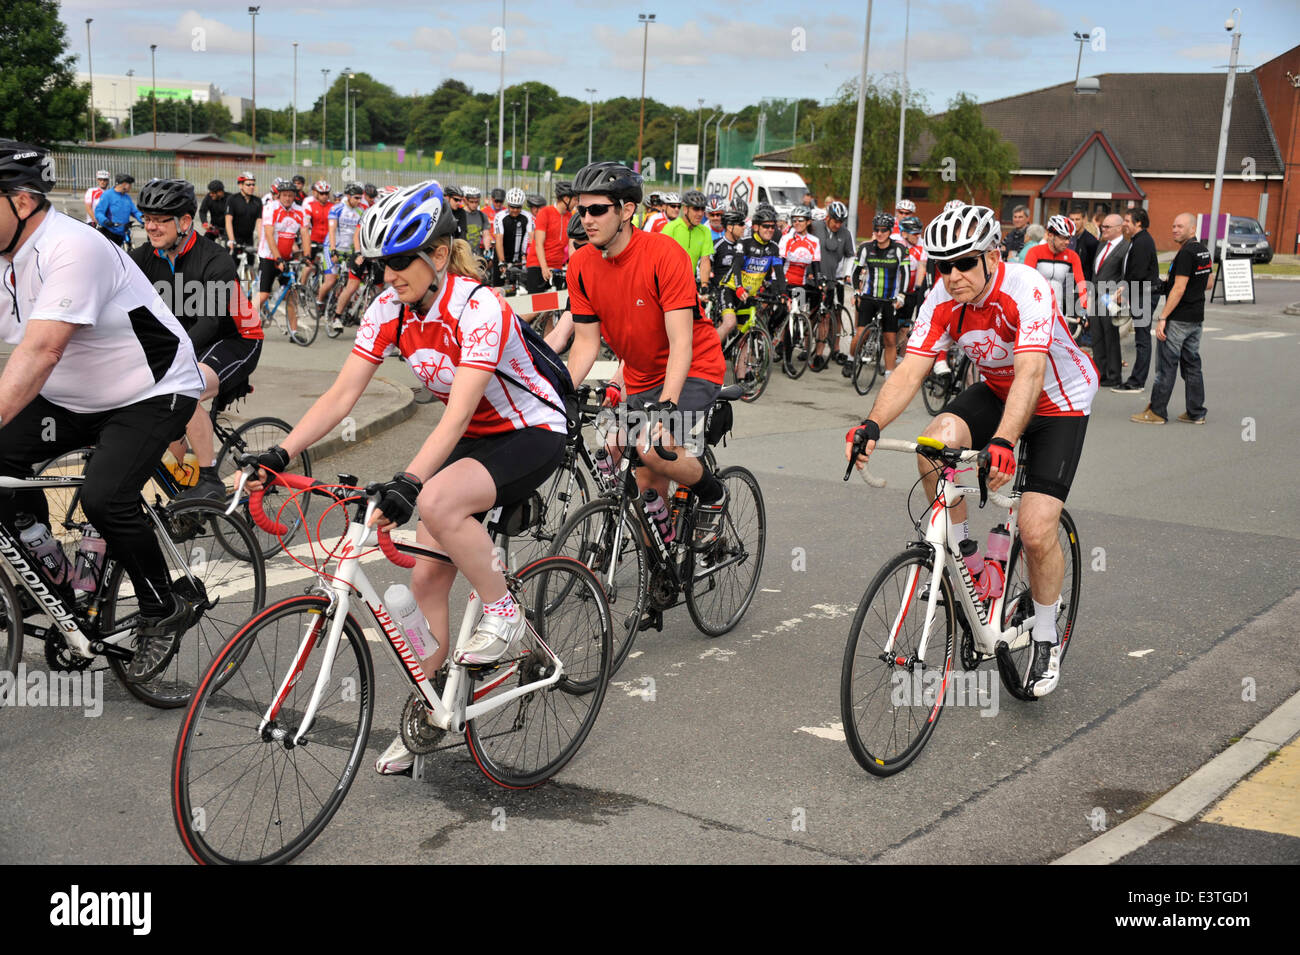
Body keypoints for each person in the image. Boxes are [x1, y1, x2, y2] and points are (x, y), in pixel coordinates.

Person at [249, 181, 567, 776]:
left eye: (398, 262)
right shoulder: (388, 310)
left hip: (531, 429)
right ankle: (432, 713)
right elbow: (344, 393)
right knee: (424, 583)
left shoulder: (478, 307)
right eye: (378, 265)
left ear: (439, 255)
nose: (387, 275)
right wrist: (281, 453)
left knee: (440, 503)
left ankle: (504, 612)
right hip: (474, 433)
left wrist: (409, 481)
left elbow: (456, 413)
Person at [846, 204, 1097, 698]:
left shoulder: (1026, 288)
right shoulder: (942, 297)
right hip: (1002, 392)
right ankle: (966, 558)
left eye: (964, 262)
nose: (953, 275)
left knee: (1036, 527)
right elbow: (911, 370)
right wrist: (872, 423)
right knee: (934, 441)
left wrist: (1003, 441)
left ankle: (1045, 633)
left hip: (1058, 401)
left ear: (991, 255)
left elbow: (1031, 372)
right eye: (943, 265)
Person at [0, 141, 204, 680]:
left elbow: (41, 350)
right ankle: (49, 573)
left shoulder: (71, 247)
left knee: (104, 494)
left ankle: (165, 602)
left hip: (151, 389)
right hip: (72, 396)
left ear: (20, 202)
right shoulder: (6, 258)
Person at [565, 161, 731, 545]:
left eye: (597, 210)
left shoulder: (663, 254)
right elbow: (586, 344)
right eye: (581, 210)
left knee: (654, 449)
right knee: (640, 481)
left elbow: (681, 342)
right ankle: (659, 563)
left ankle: (713, 494)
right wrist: (559, 393)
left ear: (626, 211)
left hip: (693, 368)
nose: (587, 219)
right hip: (640, 375)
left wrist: (669, 404)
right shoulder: (580, 264)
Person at [130, 179, 263, 501]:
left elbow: (210, 321)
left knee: (183, 384)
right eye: (147, 219)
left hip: (235, 339)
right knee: (152, 401)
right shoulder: (142, 258)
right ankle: (186, 486)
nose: (151, 226)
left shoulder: (215, 259)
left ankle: (209, 479)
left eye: (160, 220)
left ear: (185, 222)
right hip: (188, 340)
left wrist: (170, 361)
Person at [1131, 213, 1211, 425]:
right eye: (1173, 226)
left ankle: (1157, 412)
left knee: (1166, 366)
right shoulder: (1203, 251)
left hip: (1179, 318)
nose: (1175, 229)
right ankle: (1196, 412)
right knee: (1192, 365)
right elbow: (1208, 283)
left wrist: (1163, 317)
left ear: (1192, 229)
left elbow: (1179, 288)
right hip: (1196, 318)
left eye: (1180, 226)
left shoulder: (1186, 254)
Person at [720, 202, 788, 367]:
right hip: (731, 288)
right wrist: (739, 287)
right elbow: (736, 268)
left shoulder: (773, 248)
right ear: (756, 227)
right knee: (729, 324)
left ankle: (741, 379)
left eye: (773, 227)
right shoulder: (745, 243)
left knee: (746, 337)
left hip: (749, 295)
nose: (770, 229)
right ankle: (705, 352)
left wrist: (784, 294)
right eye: (766, 226)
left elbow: (779, 273)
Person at [846, 213, 909, 378]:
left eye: (883, 230)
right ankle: (851, 358)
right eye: (876, 230)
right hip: (868, 297)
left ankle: (889, 376)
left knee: (890, 340)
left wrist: (901, 296)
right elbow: (855, 272)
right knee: (861, 334)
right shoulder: (866, 248)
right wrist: (856, 291)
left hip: (889, 300)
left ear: (889, 231)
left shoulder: (899, 249)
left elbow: (906, 273)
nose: (879, 233)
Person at [253, 179, 312, 342]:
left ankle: (294, 332)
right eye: (284, 195)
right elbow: (270, 236)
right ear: (278, 195)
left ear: (295, 196)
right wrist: (277, 258)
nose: (287, 198)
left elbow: (305, 233)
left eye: (291, 195)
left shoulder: (300, 211)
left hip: (287, 258)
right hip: (269, 256)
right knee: (264, 294)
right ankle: (244, 325)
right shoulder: (271, 208)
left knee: (292, 295)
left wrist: (307, 255)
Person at [1113, 207, 1161, 395]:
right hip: (1140, 294)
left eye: (1127, 220)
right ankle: (1136, 379)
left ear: (1138, 222)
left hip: (1144, 295)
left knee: (1142, 339)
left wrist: (1123, 292)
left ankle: (1137, 381)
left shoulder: (1142, 242)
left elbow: (1138, 273)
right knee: (1141, 338)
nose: (1124, 223)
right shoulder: (1137, 240)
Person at [1023, 215, 1088, 333]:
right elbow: (1026, 282)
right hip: (1036, 307)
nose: (1067, 242)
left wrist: (1083, 311)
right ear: (1050, 235)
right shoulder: (1035, 252)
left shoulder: (1072, 256)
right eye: (1063, 238)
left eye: (1069, 238)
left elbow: (1081, 284)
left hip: (1059, 309)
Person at [810, 199, 855, 366]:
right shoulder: (815, 227)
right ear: (828, 217)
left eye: (841, 222)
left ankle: (822, 354)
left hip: (832, 280)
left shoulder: (845, 233)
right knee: (811, 315)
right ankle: (804, 346)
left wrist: (846, 274)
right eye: (835, 221)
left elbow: (850, 255)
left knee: (827, 316)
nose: (838, 225)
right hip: (812, 278)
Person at [778, 206, 824, 368]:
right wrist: (779, 285)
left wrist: (820, 283)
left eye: (800, 220)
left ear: (808, 222)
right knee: (779, 315)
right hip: (784, 281)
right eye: (794, 220)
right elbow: (781, 262)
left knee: (795, 322)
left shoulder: (814, 241)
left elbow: (816, 266)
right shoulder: (787, 238)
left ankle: (787, 360)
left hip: (800, 284)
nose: (796, 223)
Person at [1090, 213, 1129, 387]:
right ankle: (1100, 373)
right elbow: (1096, 272)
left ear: (1119, 228)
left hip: (1111, 298)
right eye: (1102, 226)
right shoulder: (1101, 245)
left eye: (1107, 227)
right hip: (1096, 297)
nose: (1103, 229)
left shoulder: (1125, 247)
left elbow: (1125, 274)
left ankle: (1114, 375)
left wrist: (1121, 297)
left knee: (1111, 337)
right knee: (1097, 337)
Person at [325, 184, 366, 332]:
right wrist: (333, 250)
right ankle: (322, 303)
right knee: (331, 279)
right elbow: (332, 230)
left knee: (350, 282)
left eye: (360, 198)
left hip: (351, 250)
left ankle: (343, 308)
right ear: (348, 196)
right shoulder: (337, 208)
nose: (358, 201)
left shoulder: (361, 211)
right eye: (356, 198)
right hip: (334, 246)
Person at [524, 180, 574, 293]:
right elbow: (538, 244)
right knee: (535, 307)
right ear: (566, 199)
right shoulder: (545, 213)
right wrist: (544, 267)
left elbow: (571, 245)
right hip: (538, 264)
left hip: (557, 266)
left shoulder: (570, 216)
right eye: (575, 199)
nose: (576, 202)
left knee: (555, 306)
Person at [663, 190, 715, 287]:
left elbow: (705, 260)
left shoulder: (705, 231)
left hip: (689, 283)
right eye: (696, 209)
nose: (700, 213)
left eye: (702, 209)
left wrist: (704, 284)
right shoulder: (670, 228)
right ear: (685, 209)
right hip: (668, 282)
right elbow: (660, 259)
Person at [224, 171, 262, 281]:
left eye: (253, 184)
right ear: (240, 185)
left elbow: (259, 222)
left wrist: (260, 240)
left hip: (248, 238)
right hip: (234, 238)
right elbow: (228, 220)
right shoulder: (232, 199)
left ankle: (249, 293)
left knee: (250, 266)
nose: (251, 187)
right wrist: (231, 240)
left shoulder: (257, 201)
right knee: (231, 266)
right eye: (248, 184)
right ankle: (227, 289)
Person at [492, 187, 533, 283]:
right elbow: (499, 240)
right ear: (508, 205)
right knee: (499, 288)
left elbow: (531, 239)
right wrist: (502, 262)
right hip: (502, 255)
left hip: (519, 258)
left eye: (518, 207)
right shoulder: (500, 217)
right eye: (512, 207)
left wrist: (528, 258)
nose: (515, 210)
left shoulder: (527, 216)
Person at [94, 173, 143, 247]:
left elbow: (135, 212)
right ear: (124, 184)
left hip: (123, 232)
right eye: (130, 184)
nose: (131, 187)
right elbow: (99, 212)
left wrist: (143, 220)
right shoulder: (108, 195)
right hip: (110, 233)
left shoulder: (127, 197)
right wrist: (105, 221)